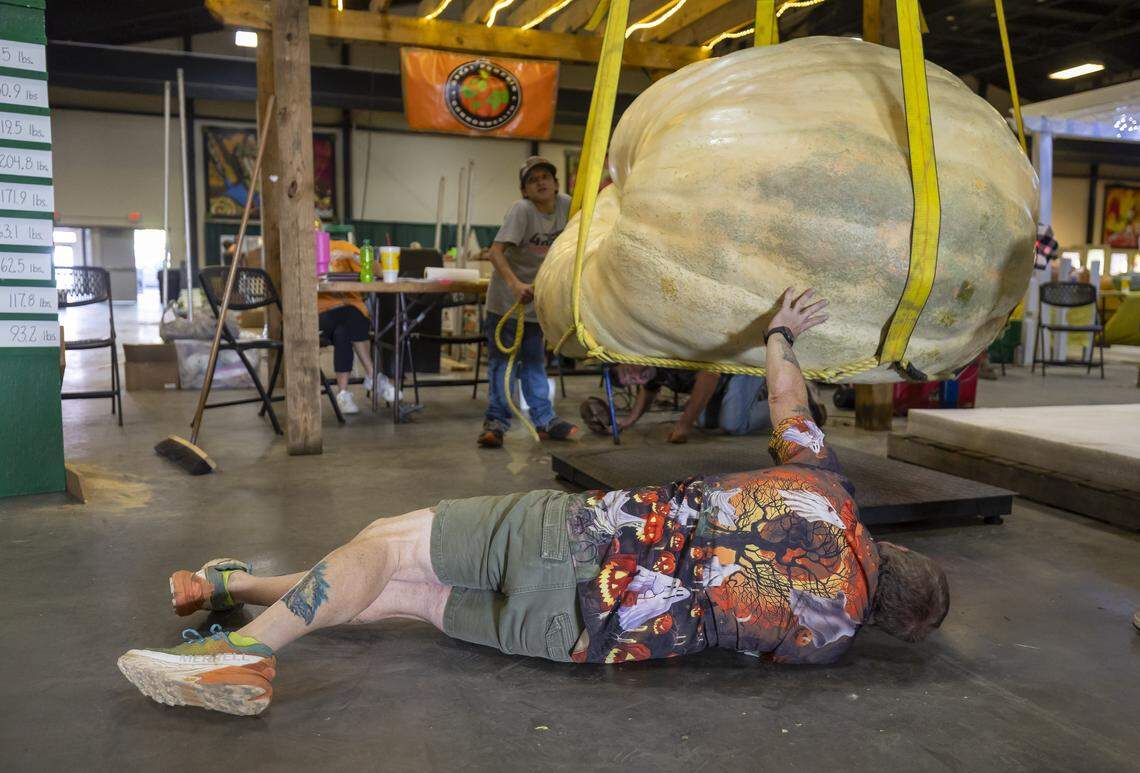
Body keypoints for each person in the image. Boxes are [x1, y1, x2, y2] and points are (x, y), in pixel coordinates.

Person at [117, 288, 950, 716]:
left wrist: (779, 332)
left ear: (893, 552)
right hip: (576, 637)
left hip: (577, 539)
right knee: (400, 596)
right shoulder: (828, 642)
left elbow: (786, 402)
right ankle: (231, 591)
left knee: (385, 544)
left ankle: (245, 650)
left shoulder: (829, 497)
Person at [478, 156, 579, 448]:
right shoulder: (521, 210)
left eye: (546, 176)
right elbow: (495, 252)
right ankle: (495, 422)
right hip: (507, 302)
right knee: (502, 364)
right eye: (533, 180)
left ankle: (545, 419)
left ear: (556, 183)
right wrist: (515, 284)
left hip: (538, 303)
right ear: (525, 190)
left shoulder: (567, 206)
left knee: (535, 362)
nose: (541, 182)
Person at [582, 367, 826, 443]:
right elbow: (647, 392)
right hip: (725, 383)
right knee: (705, 421)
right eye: (631, 380)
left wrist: (683, 424)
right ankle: (754, 401)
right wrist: (627, 422)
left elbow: (709, 376)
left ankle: (805, 406)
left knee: (732, 424)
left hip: (739, 367)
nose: (637, 376)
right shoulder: (649, 373)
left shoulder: (660, 354)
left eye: (630, 371)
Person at [317, 240, 395, 414]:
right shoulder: (300, 251)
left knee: (343, 331)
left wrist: (351, 256)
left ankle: (343, 394)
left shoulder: (341, 246)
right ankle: (373, 375)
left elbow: (379, 271)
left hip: (352, 313)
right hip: (321, 315)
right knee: (352, 315)